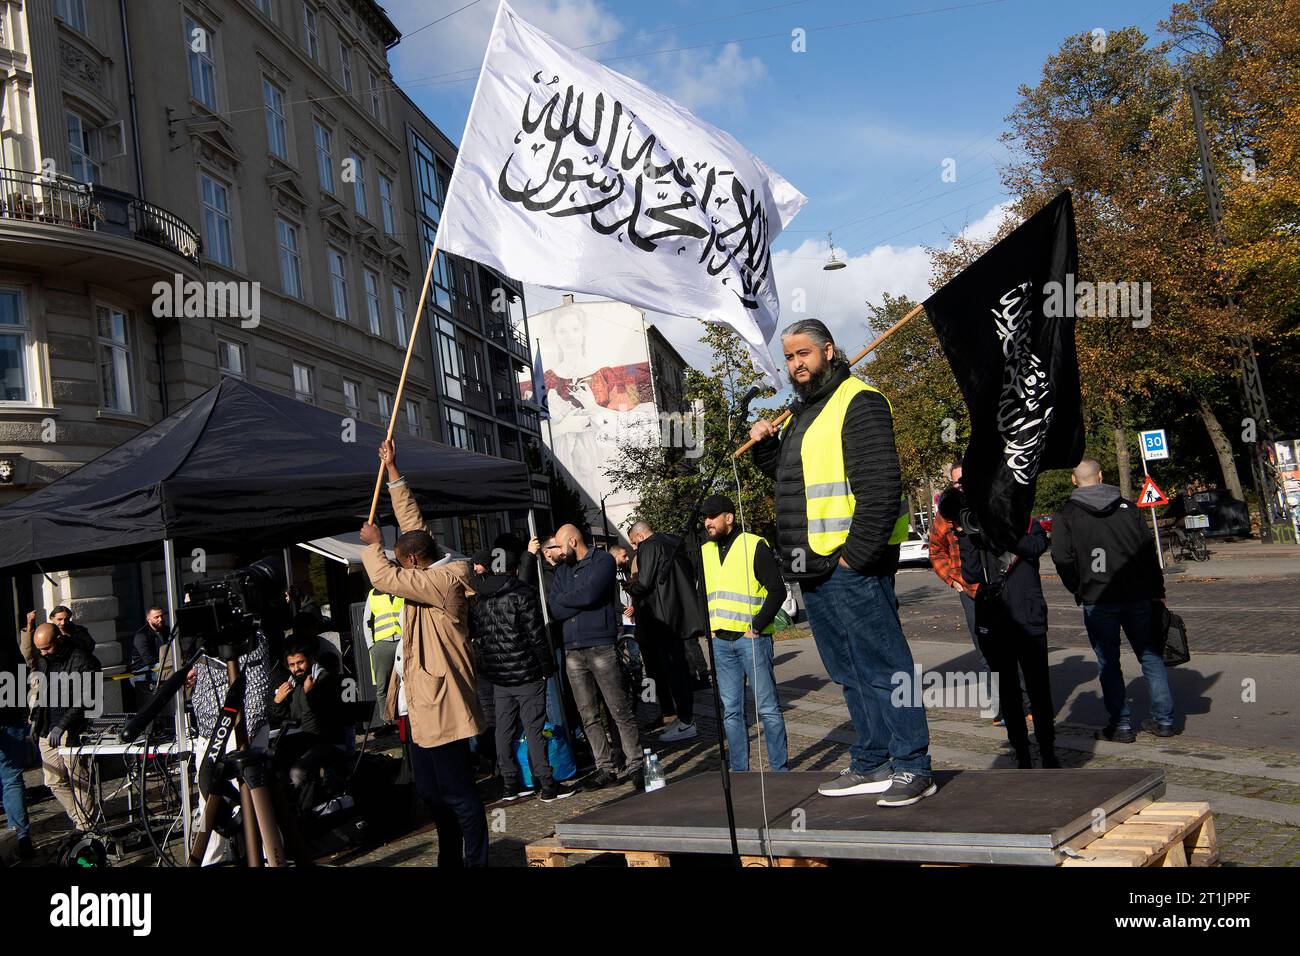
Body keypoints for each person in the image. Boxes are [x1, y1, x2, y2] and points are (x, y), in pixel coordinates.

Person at [750, 318, 934, 807]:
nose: (796, 365)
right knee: (848, 671)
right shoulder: (803, 412)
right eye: (789, 358)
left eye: (803, 354)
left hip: (850, 566)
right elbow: (793, 480)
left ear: (828, 351)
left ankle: (913, 764)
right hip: (812, 567)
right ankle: (872, 760)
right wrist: (766, 444)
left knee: (885, 667)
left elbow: (879, 485)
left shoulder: (859, 401)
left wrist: (856, 557)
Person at [361, 437, 489, 867]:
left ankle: (475, 861)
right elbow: (413, 525)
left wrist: (372, 544)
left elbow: (382, 578)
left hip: (442, 703)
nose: (402, 569)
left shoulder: (444, 581)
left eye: (403, 561)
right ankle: (450, 858)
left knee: (458, 793)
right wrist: (393, 473)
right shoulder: (427, 561)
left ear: (413, 562)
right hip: (417, 703)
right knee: (432, 793)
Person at [1051, 458, 1176, 741]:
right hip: (1138, 594)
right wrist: (1158, 590)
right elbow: (1147, 553)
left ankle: (1120, 725)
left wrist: (1078, 586)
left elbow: (1061, 557)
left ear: (1074, 481)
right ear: (1101, 475)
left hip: (1098, 597)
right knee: (1151, 657)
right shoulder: (1128, 509)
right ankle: (1165, 720)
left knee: (1109, 661)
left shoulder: (1067, 515)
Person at [939, 490, 1059, 768]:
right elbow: (970, 575)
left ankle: (1047, 749)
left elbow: (1036, 546)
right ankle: (1022, 751)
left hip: (1026, 616)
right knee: (1009, 691)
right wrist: (967, 537)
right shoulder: (972, 533)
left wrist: (999, 532)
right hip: (997, 620)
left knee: (1038, 688)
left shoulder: (1018, 521)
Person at [929, 461, 1028, 727]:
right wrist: (952, 579)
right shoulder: (946, 513)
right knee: (986, 652)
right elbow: (936, 550)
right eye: (955, 482)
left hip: (1002, 589)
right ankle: (1000, 708)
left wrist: (1008, 570)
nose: (960, 486)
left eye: (964, 480)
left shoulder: (994, 502)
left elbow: (1018, 539)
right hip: (971, 592)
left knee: (1013, 646)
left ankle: (1026, 703)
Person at [471, 547, 573, 803]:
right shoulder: (522, 594)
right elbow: (536, 635)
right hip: (527, 672)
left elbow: (480, 638)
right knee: (534, 727)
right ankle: (547, 783)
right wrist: (547, 667)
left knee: (503, 730)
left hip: (499, 677)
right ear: (514, 568)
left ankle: (509, 783)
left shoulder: (480, 598)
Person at [547, 524, 643, 791]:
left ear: (573, 541)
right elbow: (554, 607)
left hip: (600, 643)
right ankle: (605, 767)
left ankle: (635, 764)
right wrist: (574, 600)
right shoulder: (562, 570)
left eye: (559, 545)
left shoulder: (602, 561)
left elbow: (591, 594)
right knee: (588, 715)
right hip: (572, 649)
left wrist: (569, 600)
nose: (556, 551)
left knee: (618, 708)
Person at [700, 494, 790, 773]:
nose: (707, 522)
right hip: (721, 642)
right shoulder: (704, 551)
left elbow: (777, 590)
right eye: (705, 518)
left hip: (751, 640)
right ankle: (740, 772)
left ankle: (780, 771)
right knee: (731, 712)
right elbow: (702, 596)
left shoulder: (754, 545)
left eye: (712, 516)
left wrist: (757, 626)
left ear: (729, 517)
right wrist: (710, 630)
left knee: (768, 708)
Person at [626, 520, 708, 742]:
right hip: (678, 613)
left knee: (674, 672)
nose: (634, 548)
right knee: (678, 670)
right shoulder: (673, 543)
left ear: (640, 537)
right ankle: (683, 718)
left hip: (663, 617)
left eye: (634, 543)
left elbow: (644, 583)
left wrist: (632, 586)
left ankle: (685, 720)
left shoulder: (650, 546)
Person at [27, 623, 99, 833]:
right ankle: (81, 820)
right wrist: (35, 720)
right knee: (53, 780)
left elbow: (86, 698)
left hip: (71, 728)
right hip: (46, 726)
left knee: (79, 779)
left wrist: (62, 724)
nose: (43, 653)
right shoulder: (43, 660)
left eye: (46, 648)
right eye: (40, 649)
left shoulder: (81, 659)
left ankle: (86, 827)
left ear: (59, 639)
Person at [273, 639, 348, 814]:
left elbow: (314, 721)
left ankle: (304, 811)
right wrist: (278, 702)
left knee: (298, 772)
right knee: (274, 760)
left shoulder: (322, 679)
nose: (296, 668)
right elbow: (291, 716)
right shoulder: (295, 683)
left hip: (327, 741)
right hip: (307, 739)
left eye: (300, 662)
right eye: (292, 664)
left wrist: (310, 694)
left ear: (311, 659)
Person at [0, 628, 32, 859]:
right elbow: (23, 673)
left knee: (11, 778)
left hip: (10, 716)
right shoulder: (4, 639)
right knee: (12, 778)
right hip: (10, 715)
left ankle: (19, 839)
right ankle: (21, 838)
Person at [365, 585, 403, 731]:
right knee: (382, 686)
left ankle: (405, 717)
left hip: (402, 640)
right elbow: (366, 621)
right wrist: (372, 646)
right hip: (382, 643)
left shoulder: (400, 589)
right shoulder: (372, 594)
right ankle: (387, 721)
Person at [129, 606, 169, 694]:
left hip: (163, 666)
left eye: (161, 616)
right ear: (148, 619)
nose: (160, 619)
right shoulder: (141, 636)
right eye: (156, 617)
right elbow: (149, 660)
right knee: (164, 669)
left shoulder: (167, 630)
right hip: (142, 671)